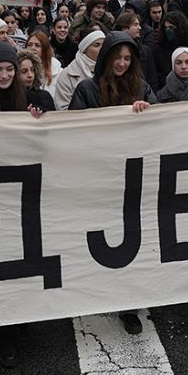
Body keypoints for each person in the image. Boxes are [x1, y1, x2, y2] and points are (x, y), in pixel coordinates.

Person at [67, 31, 153, 334]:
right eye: (117, 57)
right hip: (99, 176)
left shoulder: (141, 87)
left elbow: (163, 125)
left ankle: (128, 305)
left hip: (132, 177)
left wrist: (148, 113)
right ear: (106, 59)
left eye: (128, 59)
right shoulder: (87, 89)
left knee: (130, 245)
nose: (122, 63)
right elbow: (75, 127)